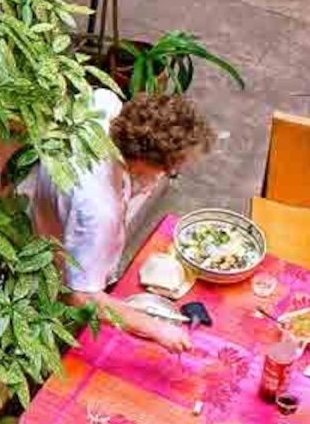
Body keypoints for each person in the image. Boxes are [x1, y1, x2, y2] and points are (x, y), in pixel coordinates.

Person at [26, 90, 217, 355]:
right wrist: (156, 328)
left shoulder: (102, 106)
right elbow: (80, 296)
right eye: (169, 170)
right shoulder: (99, 210)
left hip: (50, 218)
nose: (165, 176)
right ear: (145, 163)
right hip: (53, 271)